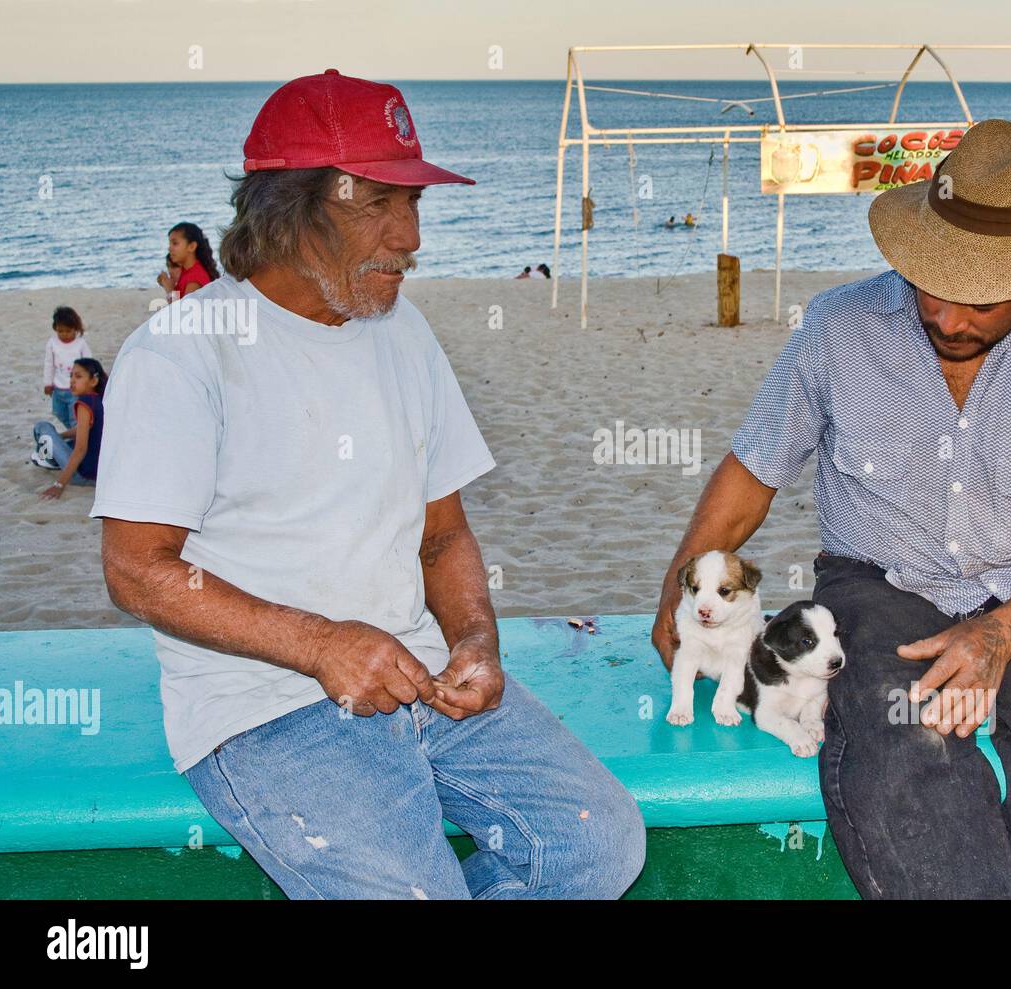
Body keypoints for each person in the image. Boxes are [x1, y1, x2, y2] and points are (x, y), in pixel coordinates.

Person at [92, 70, 644, 900]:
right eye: (377, 204)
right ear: (289, 214)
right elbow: (136, 569)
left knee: (598, 848)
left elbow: (443, 534)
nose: (410, 235)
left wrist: (475, 643)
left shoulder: (404, 331)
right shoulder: (180, 352)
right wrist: (322, 644)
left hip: (419, 675)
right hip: (263, 708)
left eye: (414, 203)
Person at [652, 119, 1011, 900]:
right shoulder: (837, 326)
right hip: (878, 586)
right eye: (935, 285)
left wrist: (998, 635)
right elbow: (752, 471)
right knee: (906, 757)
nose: (951, 319)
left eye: (983, 301)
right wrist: (678, 588)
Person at [33, 357, 107, 499]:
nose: (72, 380)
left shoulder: (84, 403)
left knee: (42, 426)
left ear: (93, 381)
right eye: (71, 375)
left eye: (78, 376)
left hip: (82, 475)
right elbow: (83, 430)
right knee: (58, 439)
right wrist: (58, 438)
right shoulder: (99, 399)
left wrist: (59, 485)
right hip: (98, 473)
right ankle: (52, 453)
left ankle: (47, 459)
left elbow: (80, 449)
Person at [43, 305, 92, 428]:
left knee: (74, 417)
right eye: (60, 331)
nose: (64, 334)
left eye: (68, 331)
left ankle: (76, 437)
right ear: (55, 328)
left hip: (75, 390)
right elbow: (49, 364)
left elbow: (89, 364)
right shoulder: (52, 343)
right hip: (58, 388)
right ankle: (72, 432)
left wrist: (88, 384)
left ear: (75, 328)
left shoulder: (81, 344)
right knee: (58, 413)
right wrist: (47, 383)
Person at [158, 221, 218, 300]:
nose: (169, 248)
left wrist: (169, 290)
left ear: (192, 246)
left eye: (175, 243)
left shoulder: (194, 280)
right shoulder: (186, 271)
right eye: (170, 244)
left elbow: (182, 311)